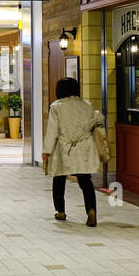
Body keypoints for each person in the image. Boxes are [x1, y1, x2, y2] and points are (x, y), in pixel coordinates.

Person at [42, 77, 105, 227]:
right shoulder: (86, 105)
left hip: (63, 148)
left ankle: (61, 211)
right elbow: (99, 118)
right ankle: (91, 210)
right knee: (85, 181)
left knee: (59, 180)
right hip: (83, 148)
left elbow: (52, 131)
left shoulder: (56, 107)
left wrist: (47, 150)